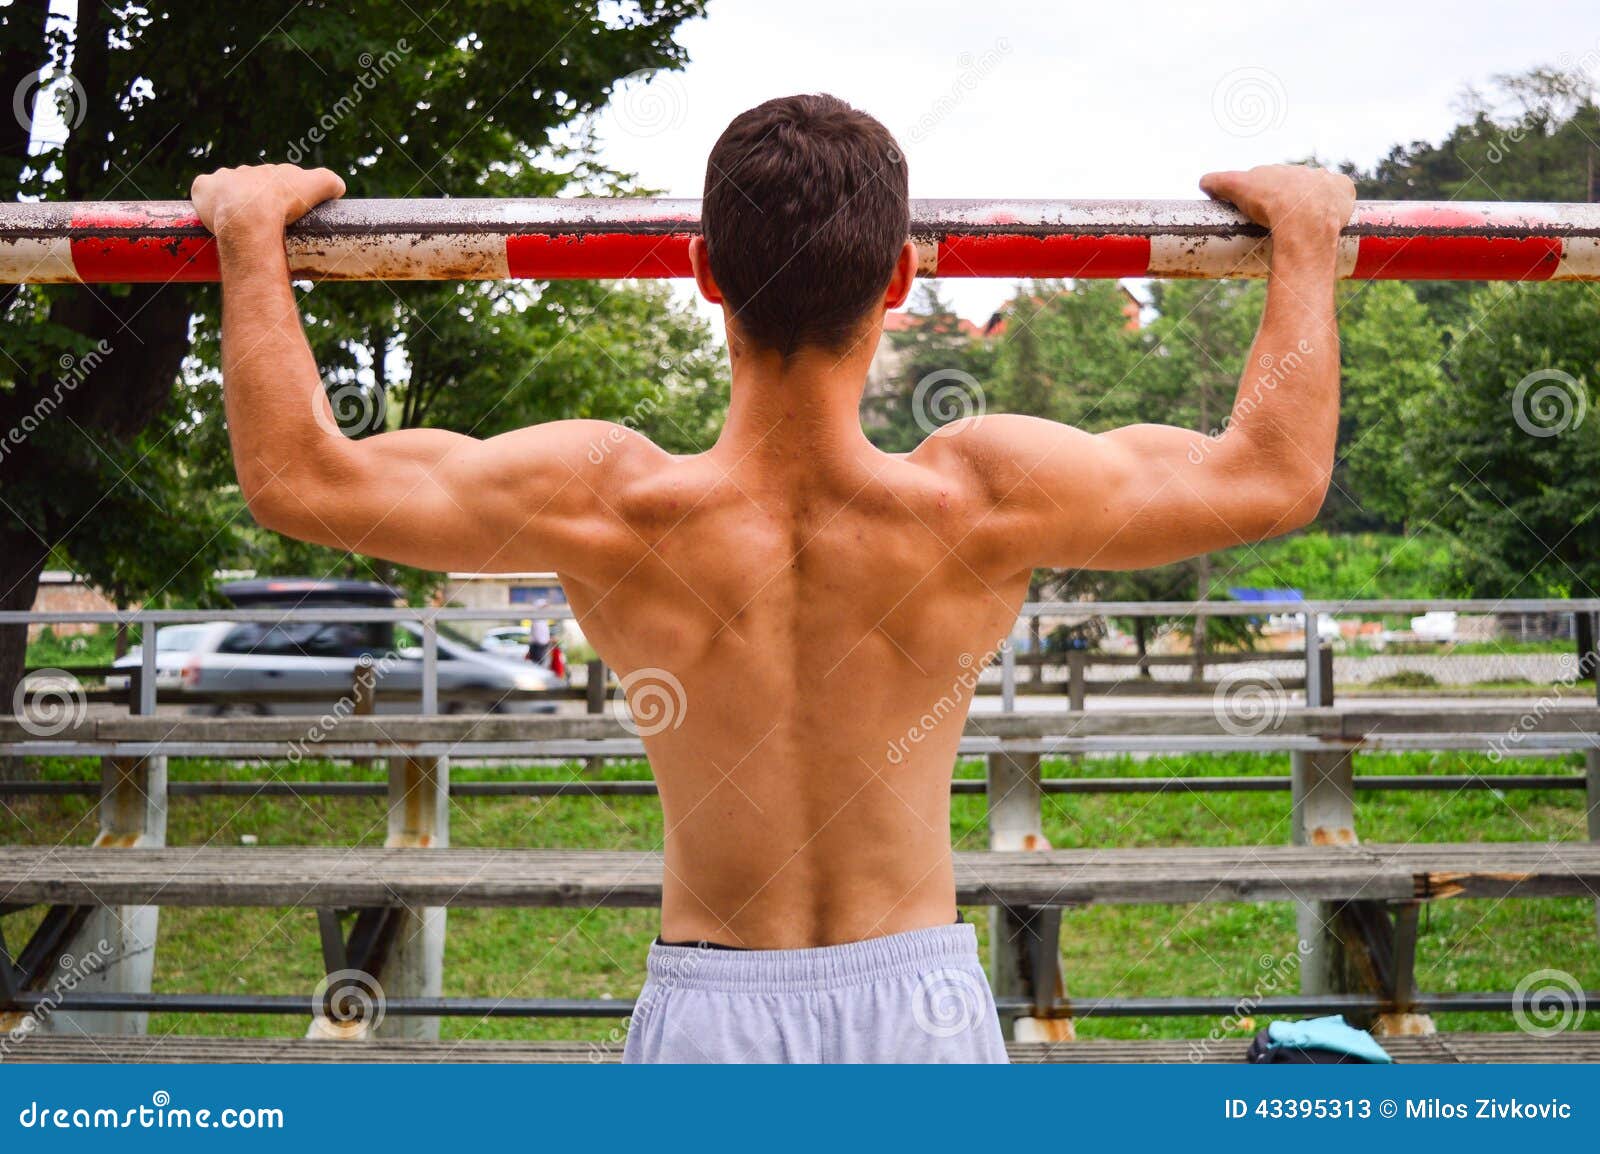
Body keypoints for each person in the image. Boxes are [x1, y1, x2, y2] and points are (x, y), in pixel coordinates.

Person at [190, 93, 1353, 1064]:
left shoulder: (607, 501)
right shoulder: (982, 495)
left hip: (713, 1016)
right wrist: (1302, 236)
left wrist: (249, 237)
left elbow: (299, 477)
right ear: (899, 277)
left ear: (703, 271)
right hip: (919, 1013)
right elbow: (1272, 474)